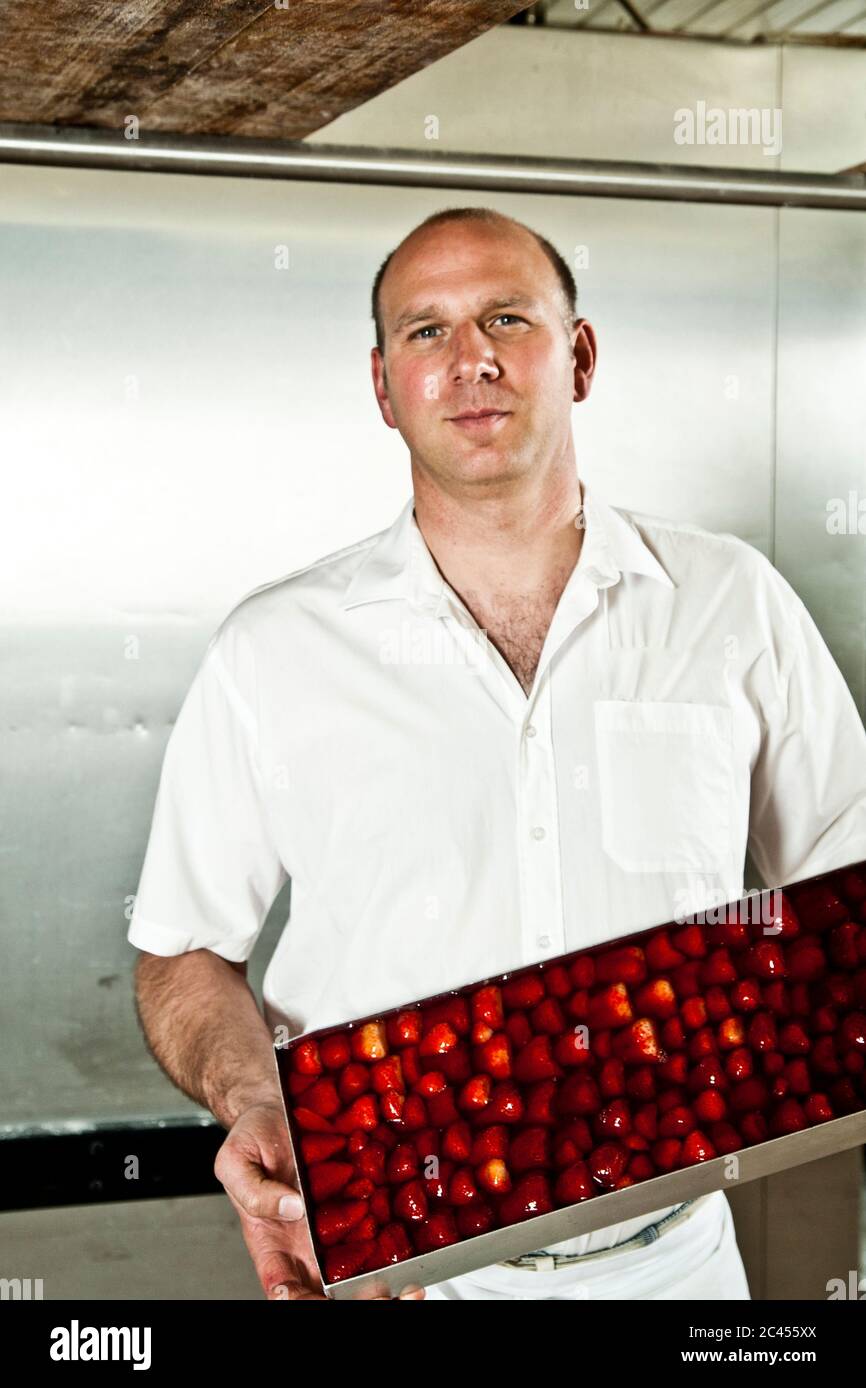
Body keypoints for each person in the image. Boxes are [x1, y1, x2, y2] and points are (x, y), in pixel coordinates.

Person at [129, 206, 866, 1301]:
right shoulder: (274, 648)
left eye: (504, 318)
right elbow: (183, 952)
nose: (468, 358)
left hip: (678, 1260)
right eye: (424, 332)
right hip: (397, 1272)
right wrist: (253, 1102)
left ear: (577, 356)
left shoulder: (730, 603)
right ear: (383, 388)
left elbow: (844, 894)